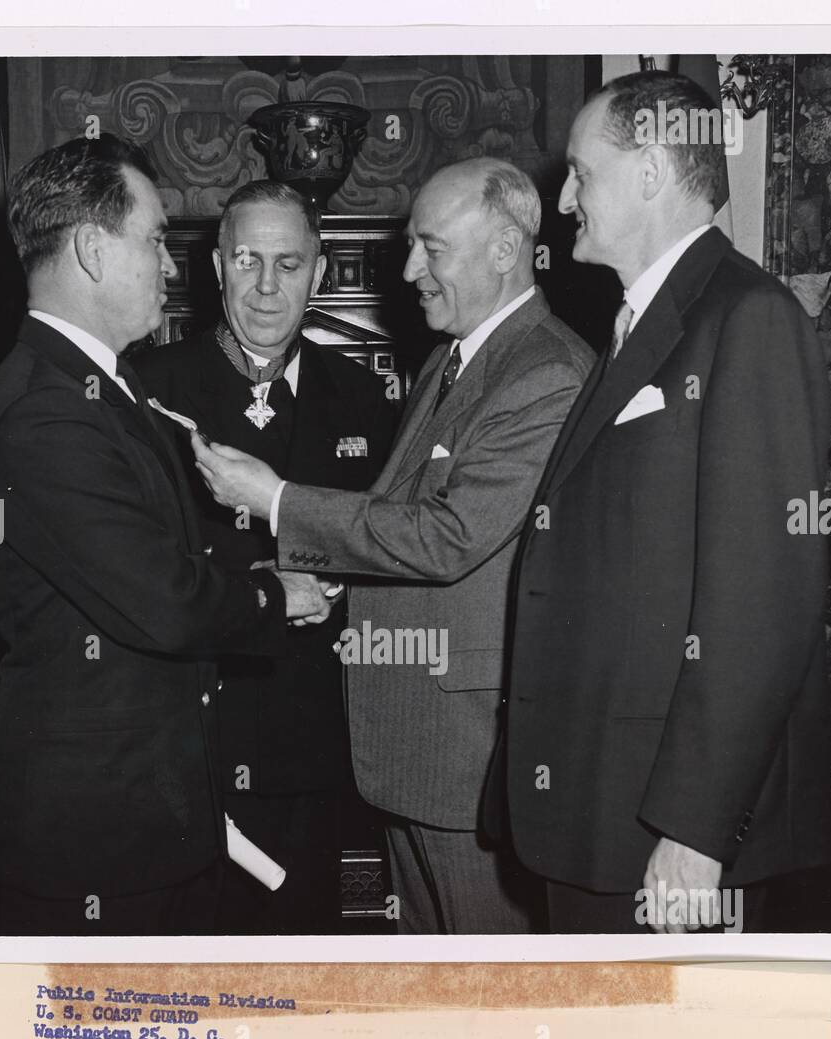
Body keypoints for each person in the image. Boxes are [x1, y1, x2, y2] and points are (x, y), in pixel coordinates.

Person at [193, 157, 593, 934]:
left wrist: (274, 499)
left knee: (483, 997)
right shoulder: (449, 360)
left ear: (507, 249)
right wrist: (331, 583)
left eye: (431, 248)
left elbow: (447, 538)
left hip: (465, 757)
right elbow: (397, 513)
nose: (409, 269)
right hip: (414, 749)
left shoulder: (545, 373)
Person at [0, 135, 331, 934]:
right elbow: (164, 602)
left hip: (141, 823)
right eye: (157, 239)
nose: (171, 266)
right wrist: (280, 593)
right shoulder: (48, 411)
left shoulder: (94, 385)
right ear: (95, 251)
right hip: (91, 839)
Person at [498, 72, 831, 934]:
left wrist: (695, 830)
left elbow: (761, 605)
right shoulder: (638, 323)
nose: (565, 199)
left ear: (650, 170)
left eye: (581, 172)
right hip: (594, 813)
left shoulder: (748, 318)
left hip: (658, 834)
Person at [133, 182, 397, 934]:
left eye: (289, 263)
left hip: (308, 743)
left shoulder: (366, 399)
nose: (267, 286)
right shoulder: (149, 392)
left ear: (319, 275)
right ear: (216, 267)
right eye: (247, 260)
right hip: (184, 742)